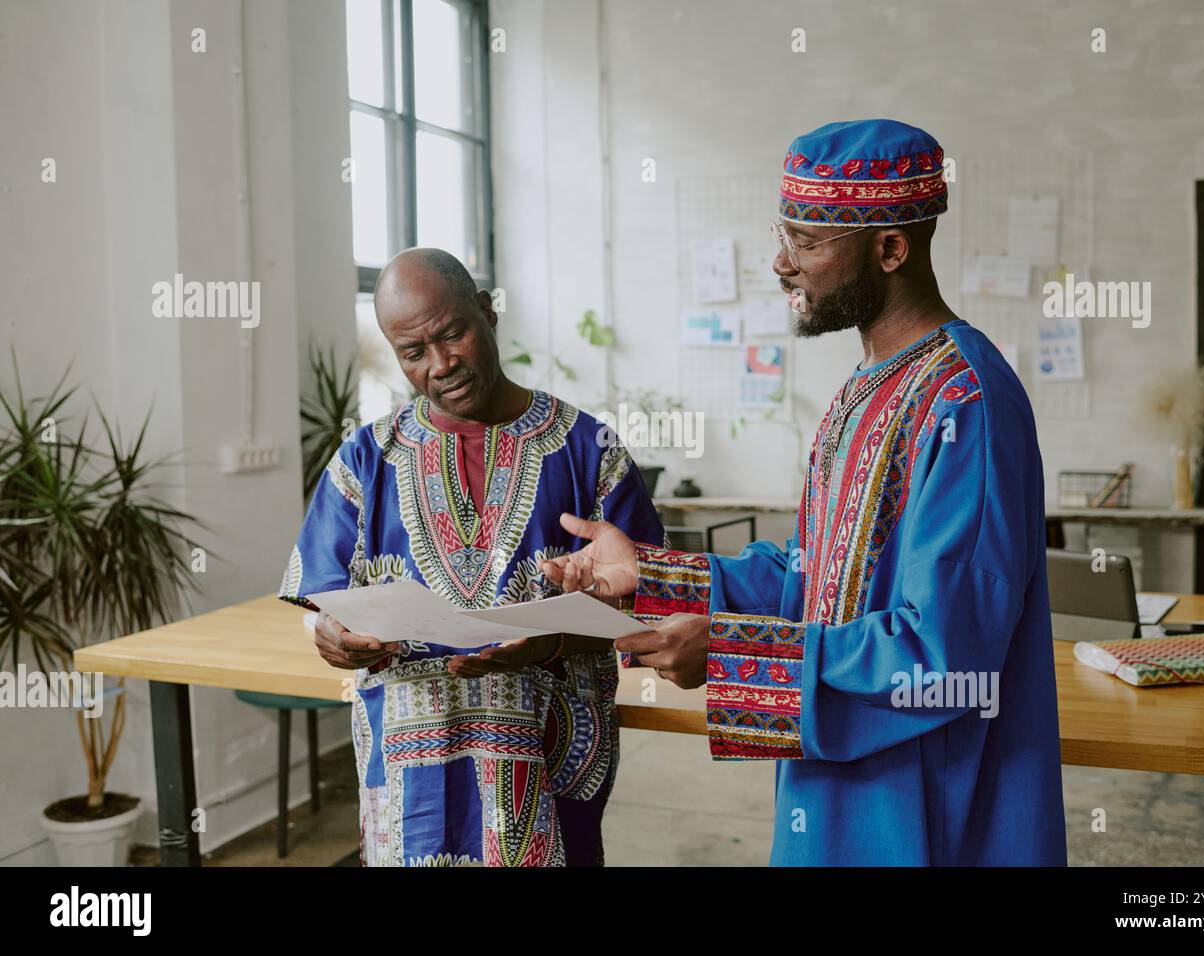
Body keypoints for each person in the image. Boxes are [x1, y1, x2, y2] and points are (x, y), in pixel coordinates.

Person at [543, 119, 1068, 866]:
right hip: (833, 787)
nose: (782, 263)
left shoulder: (967, 403)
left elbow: (948, 660)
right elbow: (809, 574)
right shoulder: (865, 388)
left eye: (809, 241)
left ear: (891, 248)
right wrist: (650, 575)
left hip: (924, 808)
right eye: (782, 234)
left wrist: (731, 658)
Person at [279, 248, 663, 866]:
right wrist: (330, 637)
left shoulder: (588, 449)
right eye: (413, 352)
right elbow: (323, 603)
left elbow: (652, 609)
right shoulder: (365, 460)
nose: (441, 364)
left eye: (453, 333)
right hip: (410, 779)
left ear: (488, 312)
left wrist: (554, 643)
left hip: (543, 765)